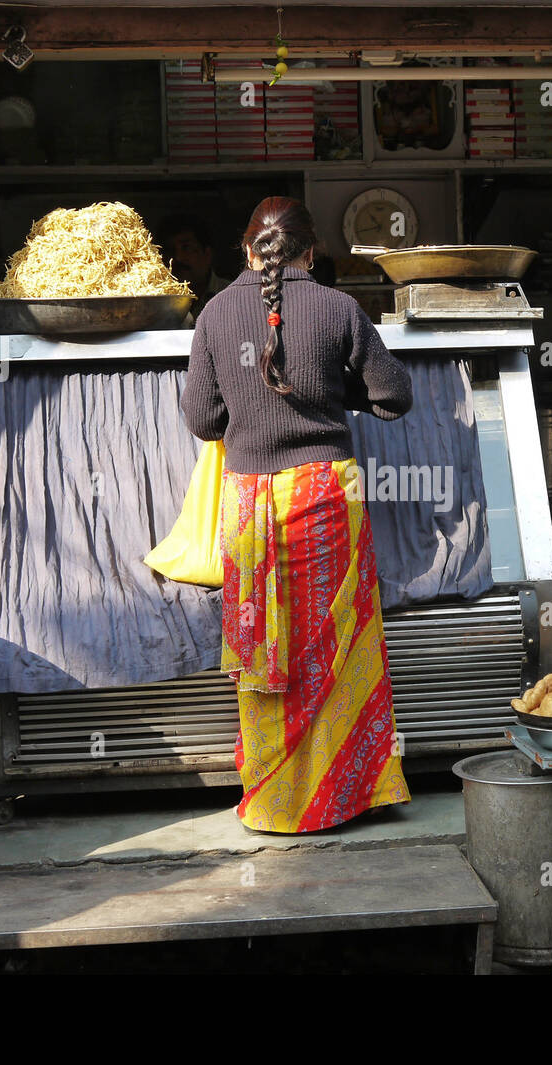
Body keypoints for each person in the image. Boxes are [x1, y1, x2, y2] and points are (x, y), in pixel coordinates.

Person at [179, 196, 414, 833]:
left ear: (246, 249)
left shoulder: (216, 313)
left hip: (251, 505)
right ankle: (341, 799)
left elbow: (202, 420)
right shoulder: (341, 309)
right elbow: (395, 396)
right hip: (326, 496)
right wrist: (337, 396)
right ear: (311, 253)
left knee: (265, 656)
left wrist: (252, 416)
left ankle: (274, 803)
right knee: (335, 652)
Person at [160, 214, 231, 324]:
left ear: (207, 253)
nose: (177, 257)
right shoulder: (158, 301)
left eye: (186, 247)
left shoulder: (230, 295)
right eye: (170, 250)